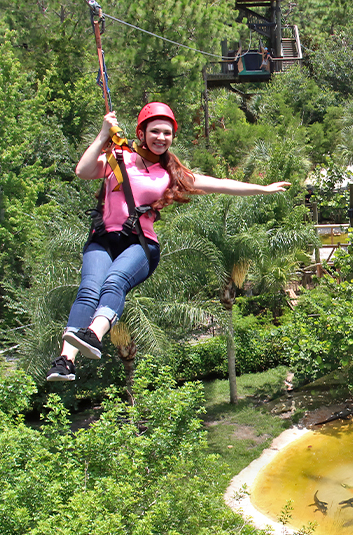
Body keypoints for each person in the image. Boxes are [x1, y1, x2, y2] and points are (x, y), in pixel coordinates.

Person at [46, 102, 290, 381]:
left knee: (114, 282)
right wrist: (103, 135)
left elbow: (220, 183)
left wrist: (262, 189)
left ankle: (95, 334)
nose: (161, 138)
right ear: (141, 132)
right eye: (155, 131)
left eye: (167, 133)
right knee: (89, 288)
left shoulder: (170, 174)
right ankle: (65, 361)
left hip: (140, 245)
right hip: (102, 238)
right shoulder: (119, 158)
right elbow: (83, 170)